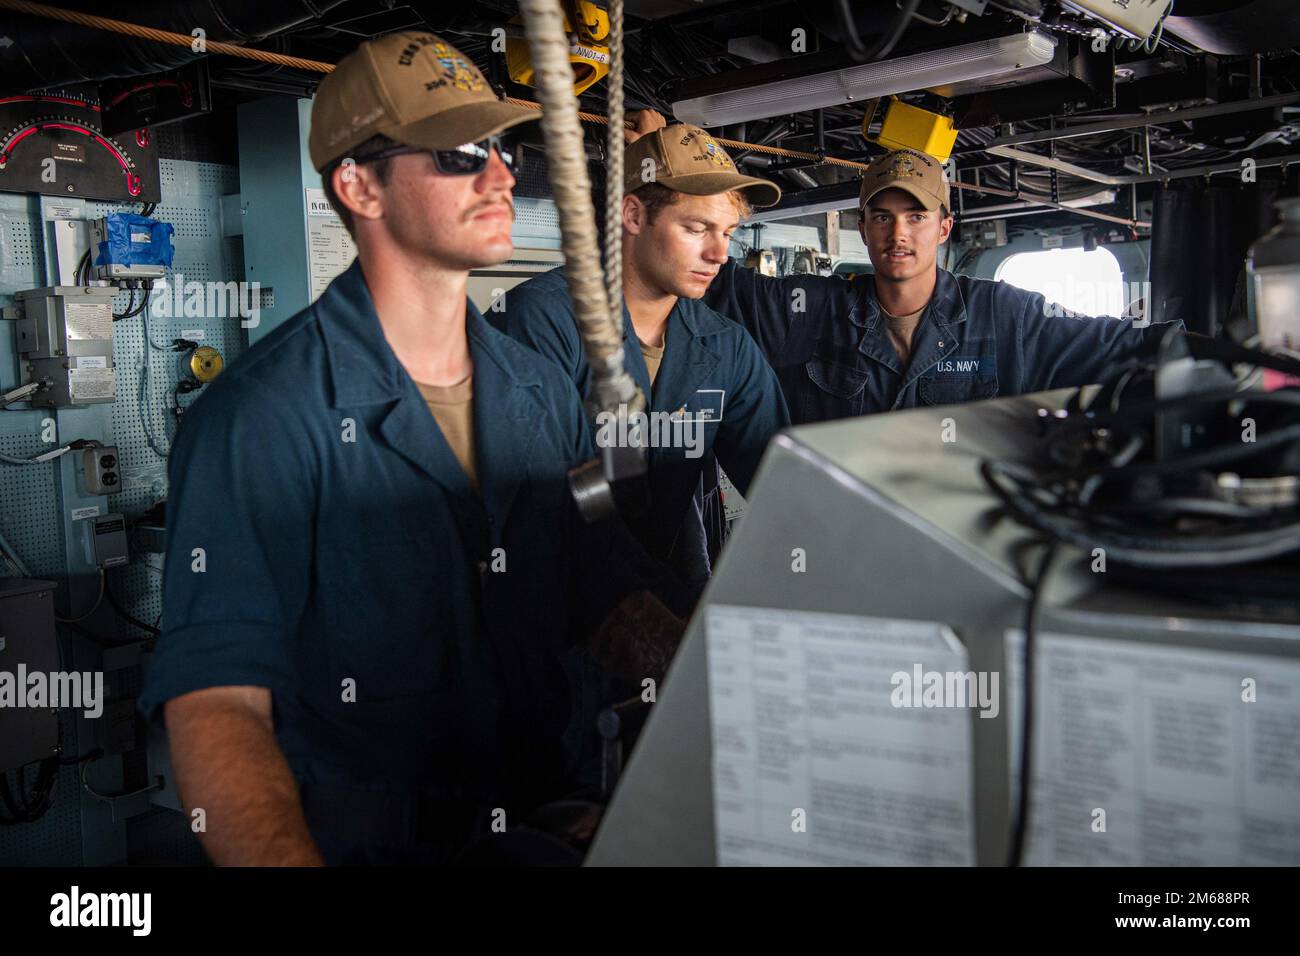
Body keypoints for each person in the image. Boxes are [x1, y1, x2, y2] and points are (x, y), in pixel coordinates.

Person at [139, 31, 680, 866]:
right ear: (360, 184)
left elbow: (607, 587)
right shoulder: (260, 420)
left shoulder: (539, 394)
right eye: (462, 155)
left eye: (500, 150)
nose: (502, 175)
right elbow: (217, 703)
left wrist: (729, 699)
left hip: (549, 819)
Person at [491, 121, 790, 595]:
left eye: (728, 233)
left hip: (662, 589)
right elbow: (530, 494)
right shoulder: (542, 320)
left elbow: (780, 480)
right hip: (548, 602)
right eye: (696, 228)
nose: (719, 254)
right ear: (632, 215)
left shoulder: (725, 346)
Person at [699, 145, 1178, 423]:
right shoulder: (806, 312)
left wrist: (1242, 357)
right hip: (841, 541)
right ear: (862, 229)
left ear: (944, 229)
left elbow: (1127, 348)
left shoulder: (1007, 316)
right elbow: (709, 278)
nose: (899, 234)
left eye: (917, 217)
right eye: (882, 217)